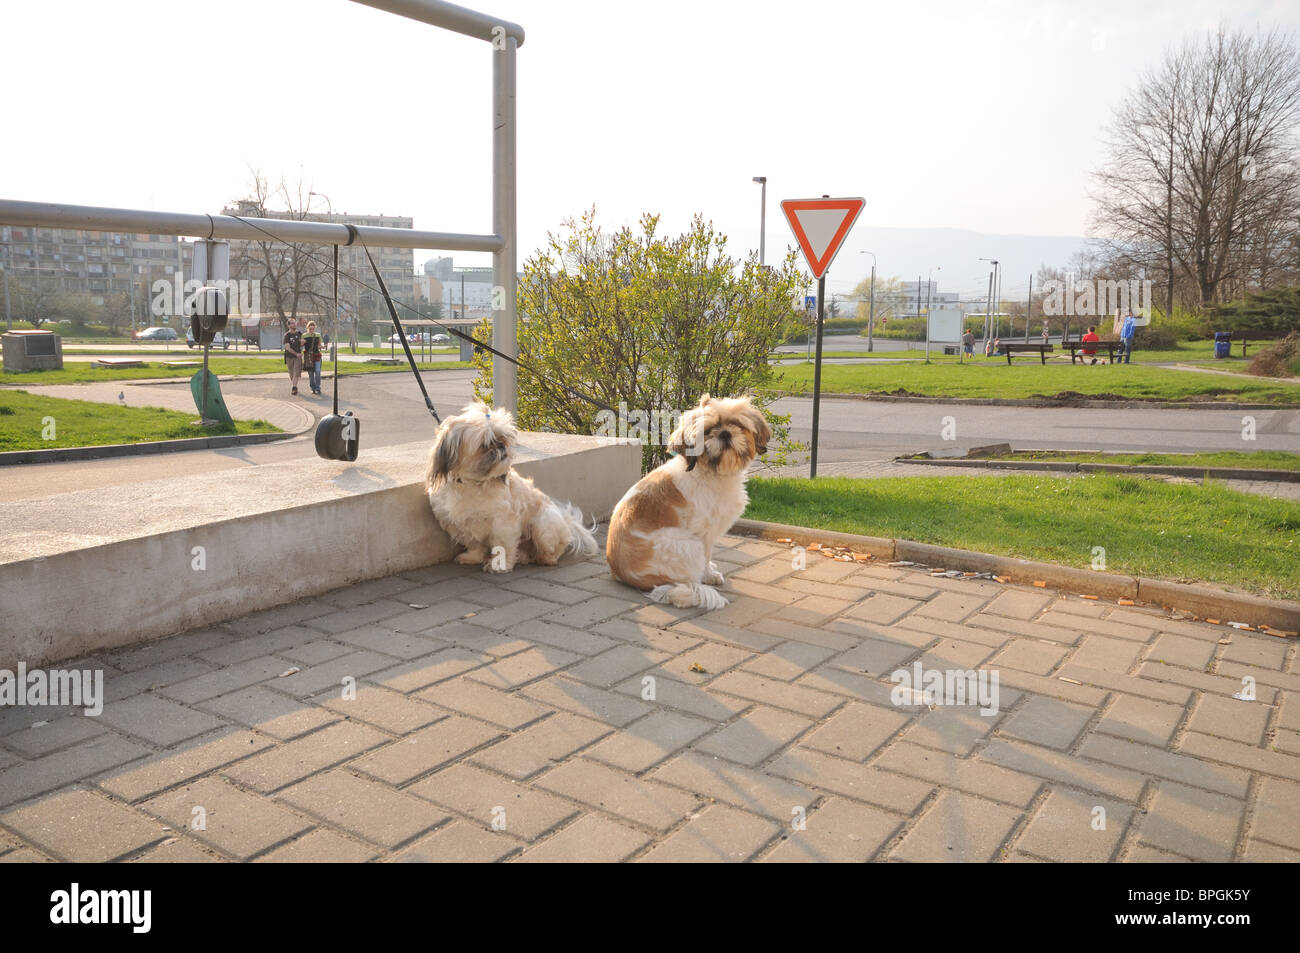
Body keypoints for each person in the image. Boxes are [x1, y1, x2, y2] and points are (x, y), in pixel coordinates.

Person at [302, 321, 324, 396]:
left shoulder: (318, 335)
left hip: (317, 355)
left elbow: (319, 345)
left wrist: (322, 346)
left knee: (317, 371)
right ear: (307, 328)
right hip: (308, 357)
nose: (311, 330)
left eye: (313, 329)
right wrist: (302, 342)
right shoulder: (304, 335)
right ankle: (313, 388)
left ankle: (318, 387)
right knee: (311, 374)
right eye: (310, 329)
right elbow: (301, 345)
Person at [283, 318, 303, 396]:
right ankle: (295, 385)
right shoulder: (287, 335)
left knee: (296, 373)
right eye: (292, 323)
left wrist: (302, 343)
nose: (294, 324)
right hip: (289, 357)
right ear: (288, 325)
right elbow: (287, 347)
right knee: (291, 374)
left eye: (295, 323)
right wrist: (295, 353)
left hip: (298, 357)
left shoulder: (299, 333)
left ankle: (294, 388)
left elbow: (301, 344)